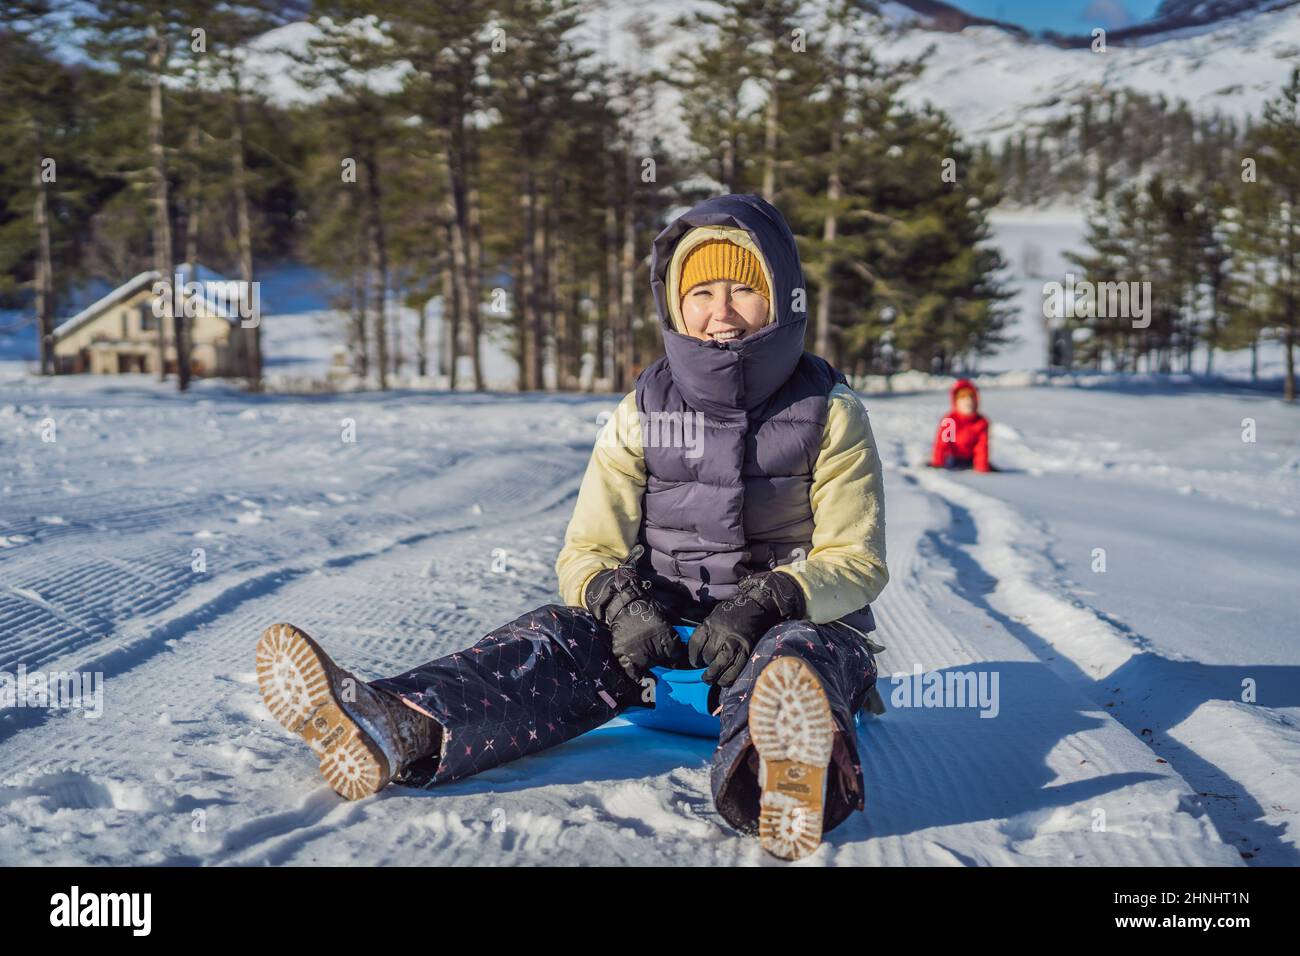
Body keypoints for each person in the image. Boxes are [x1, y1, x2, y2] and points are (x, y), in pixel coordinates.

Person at [255, 193, 889, 861]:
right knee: (555, 637)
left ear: (782, 298)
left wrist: (768, 600)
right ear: (675, 305)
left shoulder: (830, 411)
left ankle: (785, 778)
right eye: (701, 291)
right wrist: (623, 608)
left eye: (742, 290)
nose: (721, 312)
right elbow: (587, 549)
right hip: (664, 657)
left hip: (780, 635)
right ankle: (398, 726)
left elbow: (858, 559)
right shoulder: (641, 411)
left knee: (797, 654)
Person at [929, 378, 993, 472]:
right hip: (952, 459)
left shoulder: (981, 422)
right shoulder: (950, 421)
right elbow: (942, 445)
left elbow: (982, 448)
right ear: (956, 402)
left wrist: (982, 467)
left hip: (970, 460)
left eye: (971, 398)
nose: (968, 401)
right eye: (963, 399)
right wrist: (938, 463)